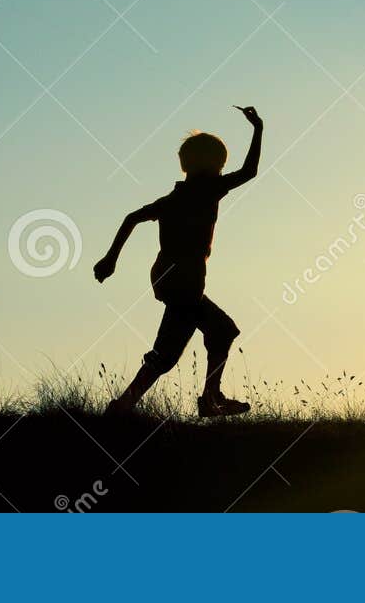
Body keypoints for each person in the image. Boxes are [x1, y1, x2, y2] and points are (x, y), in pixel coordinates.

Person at [94, 106, 263, 417]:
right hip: (183, 282)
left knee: (206, 336)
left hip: (170, 279)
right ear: (213, 166)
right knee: (202, 338)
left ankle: (198, 398)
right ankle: (199, 400)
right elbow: (250, 171)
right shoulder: (209, 189)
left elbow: (132, 217)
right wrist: (258, 128)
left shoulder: (173, 199)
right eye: (220, 165)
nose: (222, 171)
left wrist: (111, 259)